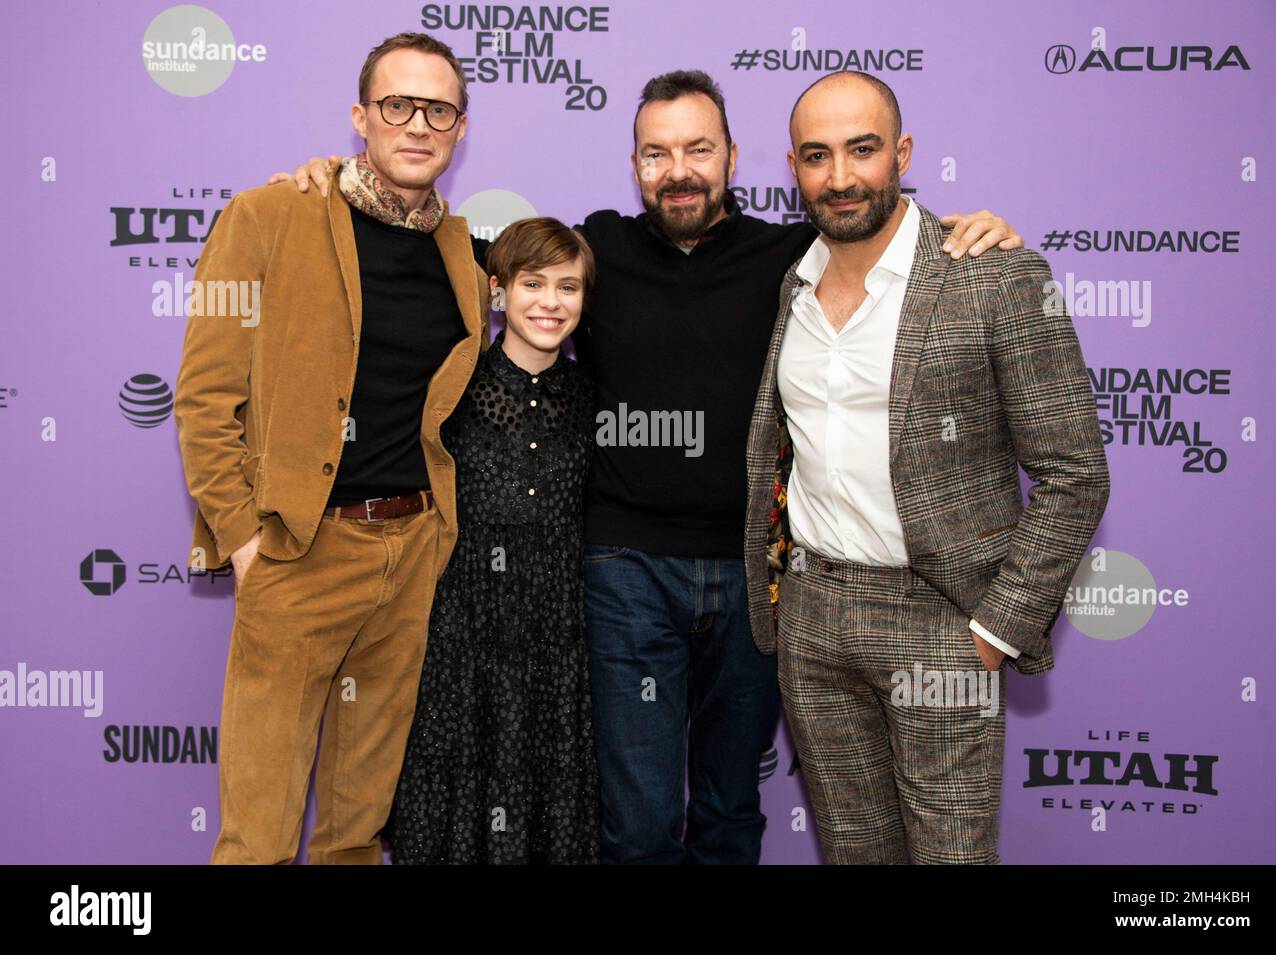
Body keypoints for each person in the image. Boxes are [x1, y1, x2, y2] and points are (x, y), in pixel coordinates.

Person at [279, 68, 1022, 865]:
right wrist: (343, 182)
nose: (679, 170)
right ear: (635, 167)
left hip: (755, 579)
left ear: (735, 158)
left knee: (730, 811)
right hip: (624, 571)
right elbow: (480, 255)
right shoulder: (595, 250)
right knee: (635, 823)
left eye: (698, 149)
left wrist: (966, 231)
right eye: (657, 153)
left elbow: (878, 227)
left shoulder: (793, 256)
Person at [742, 71, 1109, 863]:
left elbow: (1075, 471)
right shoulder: (792, 286)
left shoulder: (995, 276)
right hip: (812, 620)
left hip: (941, 620)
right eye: (817, 156)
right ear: (793, 168)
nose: (840, 177)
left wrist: (991, 633)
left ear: (902, 152)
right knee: (853, 853)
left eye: (862, 150)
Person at [175, 32, 488, 864]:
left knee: (356, 830)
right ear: (361, 118)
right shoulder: (271, 215)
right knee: (259, 837)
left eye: (439, 109)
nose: (417, 123)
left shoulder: (461, 249)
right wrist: (245, 541)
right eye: (397, 104)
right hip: (298, 550)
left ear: (460, 129)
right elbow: (206, 399)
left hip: (411, 549)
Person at [385, 217, 601, 864]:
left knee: (546, 800)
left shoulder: (595, 398)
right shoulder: (453, 390)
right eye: (533, 283)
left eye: (568, 286)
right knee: (455, 802)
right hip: (462, 627)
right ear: (499, 289)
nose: (551, 302)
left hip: (557, 635)